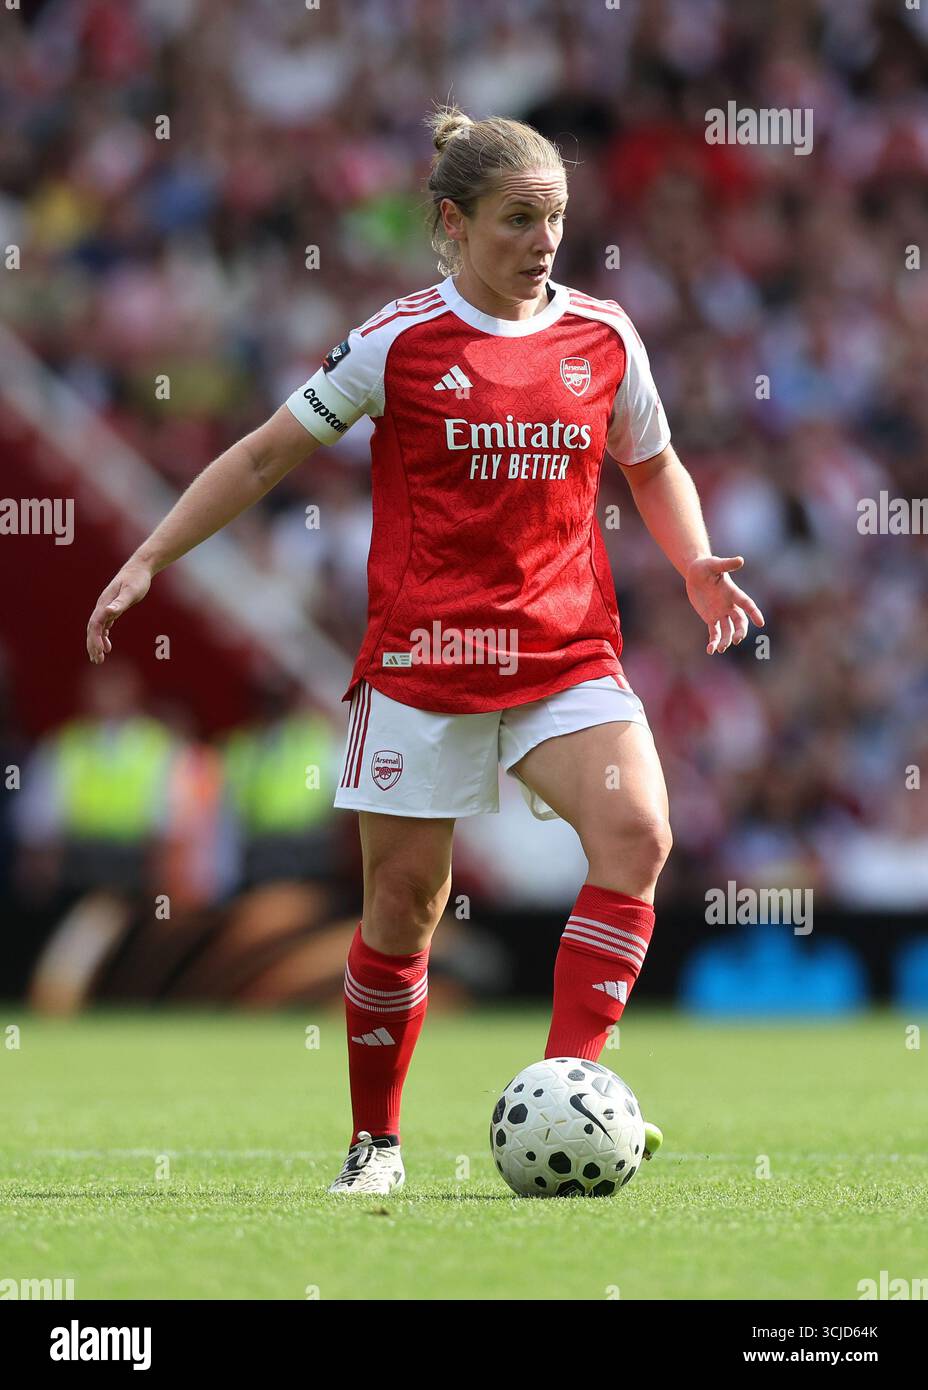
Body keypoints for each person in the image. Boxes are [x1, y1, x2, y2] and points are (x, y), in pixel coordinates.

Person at [86, 105, 763, 1196]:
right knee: (404, 911)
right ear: (451, 222)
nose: (543, 240)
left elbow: (654, 461)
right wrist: (151, 556)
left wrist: (689, 563)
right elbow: (264, 456)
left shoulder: (603, 335)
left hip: (563, 656)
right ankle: (376, 1143)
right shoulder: (396, 340)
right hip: (424, 669)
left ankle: (571, 1083)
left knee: (637, 829)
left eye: (554, 217)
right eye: (516, 219)